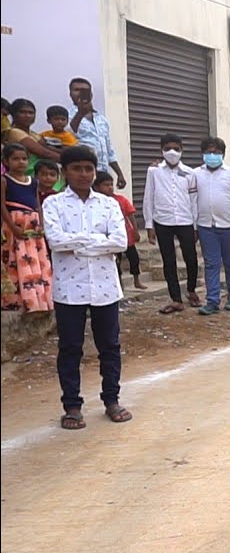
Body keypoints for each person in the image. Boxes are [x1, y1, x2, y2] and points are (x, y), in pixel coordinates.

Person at [42, 145, 131, 428]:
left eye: (88, 169)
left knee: (110, 346)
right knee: (70, 347)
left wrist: (78, 243)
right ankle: (72, 406)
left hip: (104, 286)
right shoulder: (53, 204)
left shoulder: (109, 204)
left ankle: (112, 400)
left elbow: (120, 242)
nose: (83, 174)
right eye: (77, 168)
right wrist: (97, 242)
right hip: (69, 288)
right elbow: (56, 241)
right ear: (65, 172)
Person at [144, 134, 201, 313]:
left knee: (191, 258)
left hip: (185, 220)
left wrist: (196, 226)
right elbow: (149, 197)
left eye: (176, 148)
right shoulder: (154, 171)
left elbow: (194, 200)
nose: (172, 152)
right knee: (168, 261)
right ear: (161, 150)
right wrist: (149, 224)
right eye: (168, 148)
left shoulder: (190, 173)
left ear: (182, 150)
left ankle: (191, 290)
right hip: (163, 220)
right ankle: (175, 298)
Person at [193, 137, 230, 315]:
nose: (212, 155)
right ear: (203, 154)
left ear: (223, 154)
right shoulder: (195, 174)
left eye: (216, 152)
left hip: (228, 227)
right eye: (209, 152)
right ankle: (212, 301)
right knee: (211, 264)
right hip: (205, 226)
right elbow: (191, 200)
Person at [2, 144, 53, 312]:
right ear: (6, 161)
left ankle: (39, 299)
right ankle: (17, 300)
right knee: (16, 261)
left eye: (24, 158)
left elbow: (37, 205)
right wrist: (12, 226)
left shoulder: (33, 182)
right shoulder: (4, 180)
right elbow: (2, 206)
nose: (21, 162)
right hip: (14, 225)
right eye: (15, 159)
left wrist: (42, 224)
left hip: (33, 227)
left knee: (36, 261)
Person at [92, 172, 147, 291]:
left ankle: (137, 281)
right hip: (109, 239)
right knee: (116, 262)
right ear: (96, 187)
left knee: (134, 258)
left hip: (126, 236)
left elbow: (131, 215)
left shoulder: (120, 200)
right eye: (106, 185)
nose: (110, 187)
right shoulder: (94, 203)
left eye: (111, 184)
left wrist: (135, 231)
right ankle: (119, 284)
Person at [68, 78, 126, 188]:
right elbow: (69, 134)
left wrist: (119, 173)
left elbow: (109, 149)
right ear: (70, 93)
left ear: (91, 94)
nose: (80, 93)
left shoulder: (101, 119)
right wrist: (81, 113)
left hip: (102, 175)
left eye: (84, 91)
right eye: (77, 90)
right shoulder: (66, 116)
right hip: (82, 174)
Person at [3, 99, 63, 165]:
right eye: (22, 112)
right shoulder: (14, 132)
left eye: (31, 113)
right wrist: (69, 160)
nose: (27, 115)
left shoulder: (34, 134)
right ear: (13, 114)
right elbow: (45, 153)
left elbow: (48, 148)